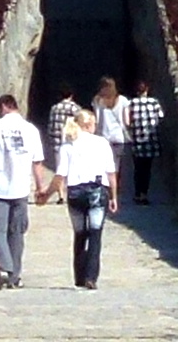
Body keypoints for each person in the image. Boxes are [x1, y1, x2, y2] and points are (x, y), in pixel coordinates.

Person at [0, 93, 47, 291]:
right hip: (21, 187)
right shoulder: (31, 130)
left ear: (4, 106)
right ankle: (15, 276)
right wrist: (40, 187)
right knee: (17, 232)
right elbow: (37, 162)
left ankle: (3, 269)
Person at [55, 103, 119, 290]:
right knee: (95, 235)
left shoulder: (67, 145)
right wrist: (114, 196)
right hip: (97, 192)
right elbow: (111, 173)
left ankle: (79, 276)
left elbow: (60, 175)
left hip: (75, 193)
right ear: (89, 124)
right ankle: (91, 277)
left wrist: (47, 193)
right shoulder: (102, 143)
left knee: (80, 234)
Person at [91, 78, 131, 213]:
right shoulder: (123, 100)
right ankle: (114, 191)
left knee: (103, 165)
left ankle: (104, 188)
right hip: (118, 137)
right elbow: (127, 121)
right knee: (116, 166)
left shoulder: (98, 100)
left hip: (103, 137)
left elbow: (96, 120)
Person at [122, 79, 164, 205]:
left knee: (138, 168)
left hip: (137, 141)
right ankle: (144, 194)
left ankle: (138, 193)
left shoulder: (130, 103)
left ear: (136, 91)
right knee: (147, 169)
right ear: (147, 90)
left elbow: (127, 122)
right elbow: (161, 116)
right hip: (151, 140)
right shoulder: (154, 102)